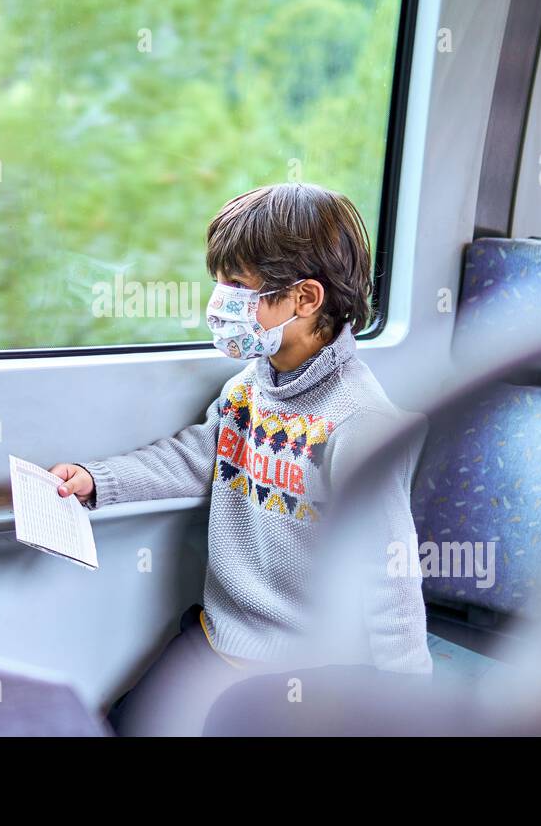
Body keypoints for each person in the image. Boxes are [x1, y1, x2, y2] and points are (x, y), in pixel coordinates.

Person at [50, 183, 432, 735]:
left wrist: (409, 699)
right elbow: (198, 457)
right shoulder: (250, 387)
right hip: (221, 637)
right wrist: (95, 480)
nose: (219, 302)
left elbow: (389, 575)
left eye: (238, 286)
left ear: (305, 299)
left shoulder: (359, 422)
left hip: (306, 667)